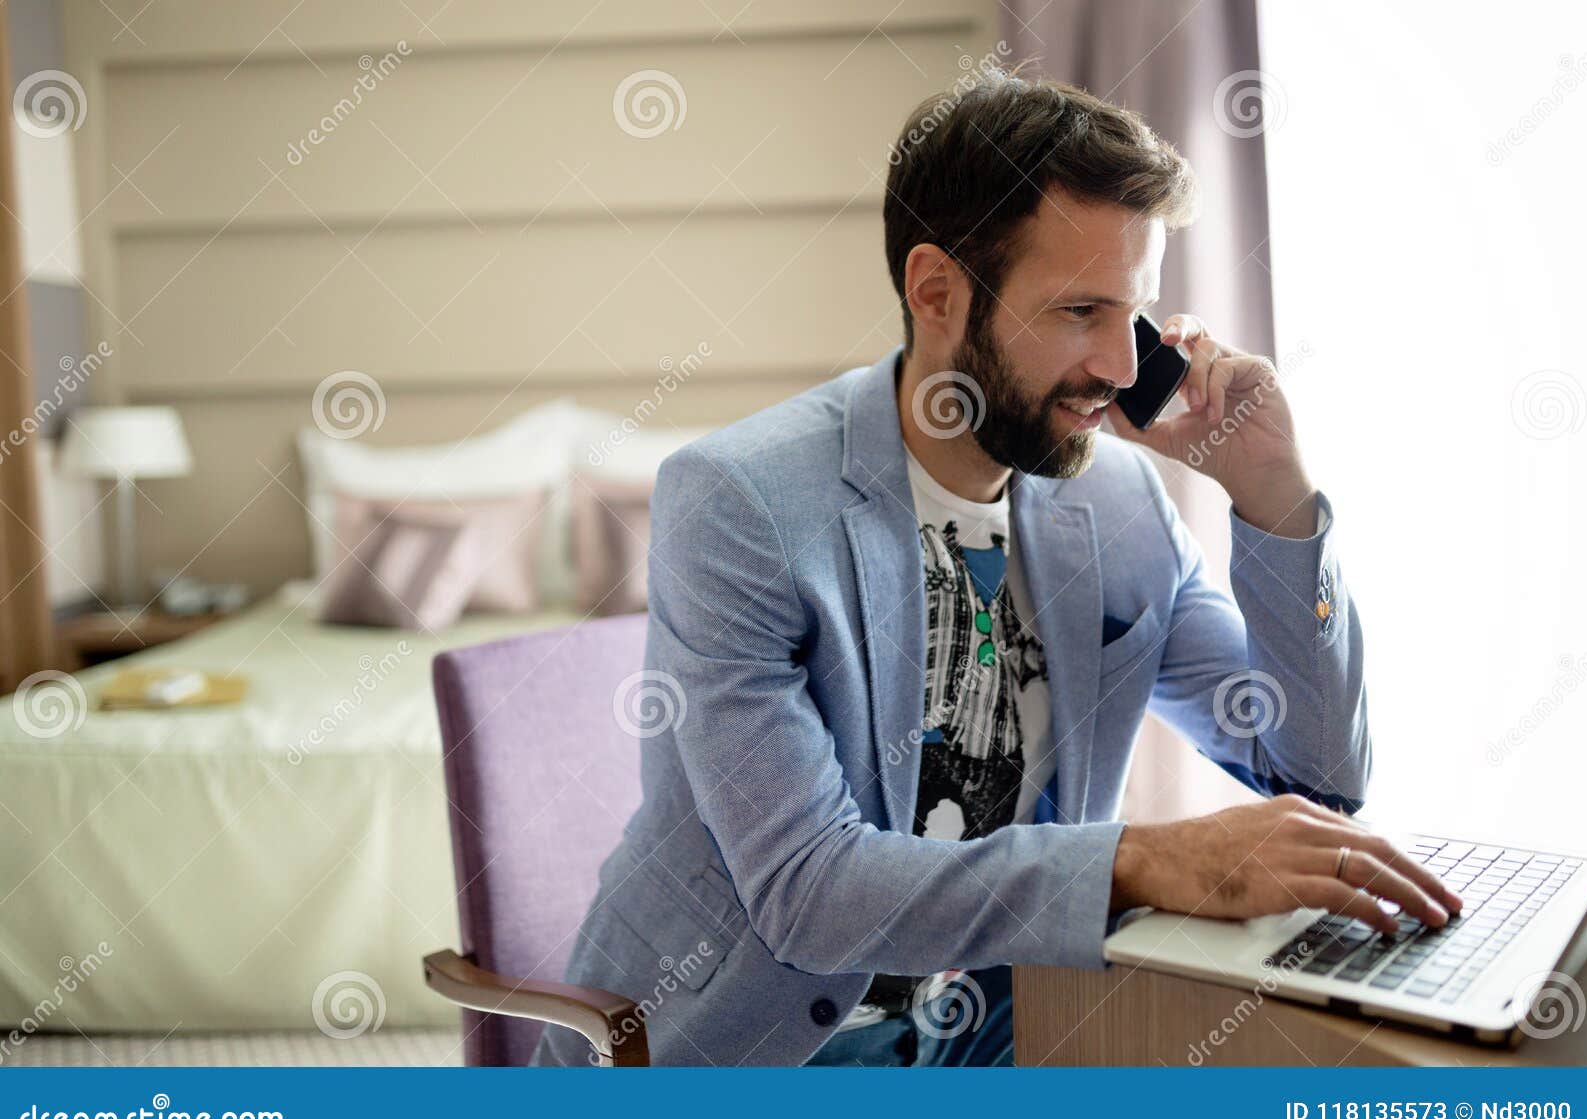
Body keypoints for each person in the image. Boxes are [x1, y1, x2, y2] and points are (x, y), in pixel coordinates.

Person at [533, 71, 1458, 1068]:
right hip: (767, 1046)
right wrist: (1145, 858)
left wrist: (1272, 494)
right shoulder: (739, 504)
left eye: (1137, 312)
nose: (1121, 365)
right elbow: (810, 894)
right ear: (936, 292)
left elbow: (1316, 775)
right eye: (1080, 310)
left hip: (1006, 1022)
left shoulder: (1118, 502)